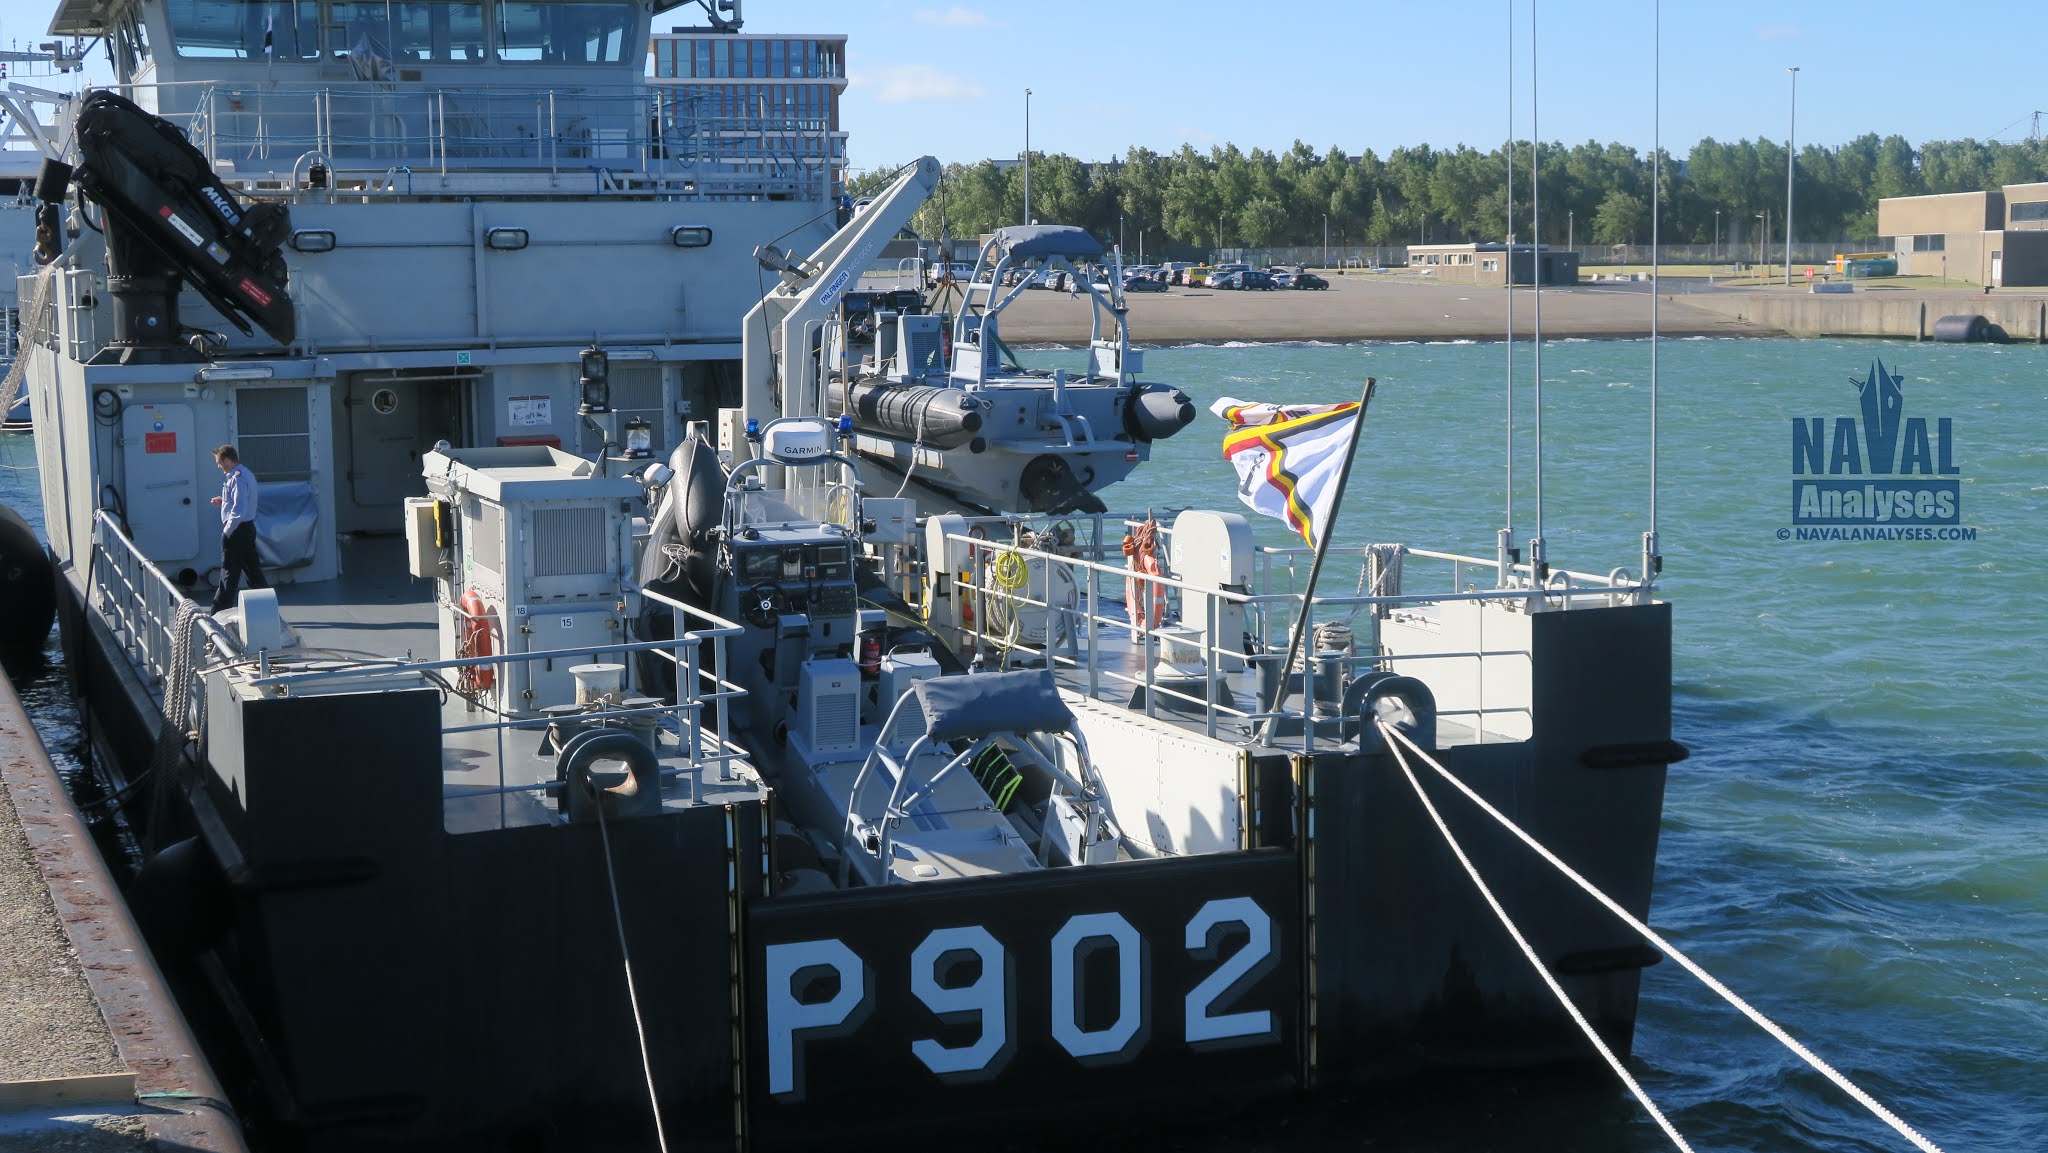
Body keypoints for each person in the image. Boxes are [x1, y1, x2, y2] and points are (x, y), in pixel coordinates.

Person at [209, 445, 267, 612]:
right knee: (252, 571)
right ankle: (265, 606)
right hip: (246, 529)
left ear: (227, 460)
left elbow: (238, 510)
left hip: (237, 531)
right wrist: (223, 501)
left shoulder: (237, 478)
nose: (218, 466)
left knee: (229, 572)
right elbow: (241, 500)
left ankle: (218, 612)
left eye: (219, 462)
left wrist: (227, 531)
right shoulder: (245, 474)